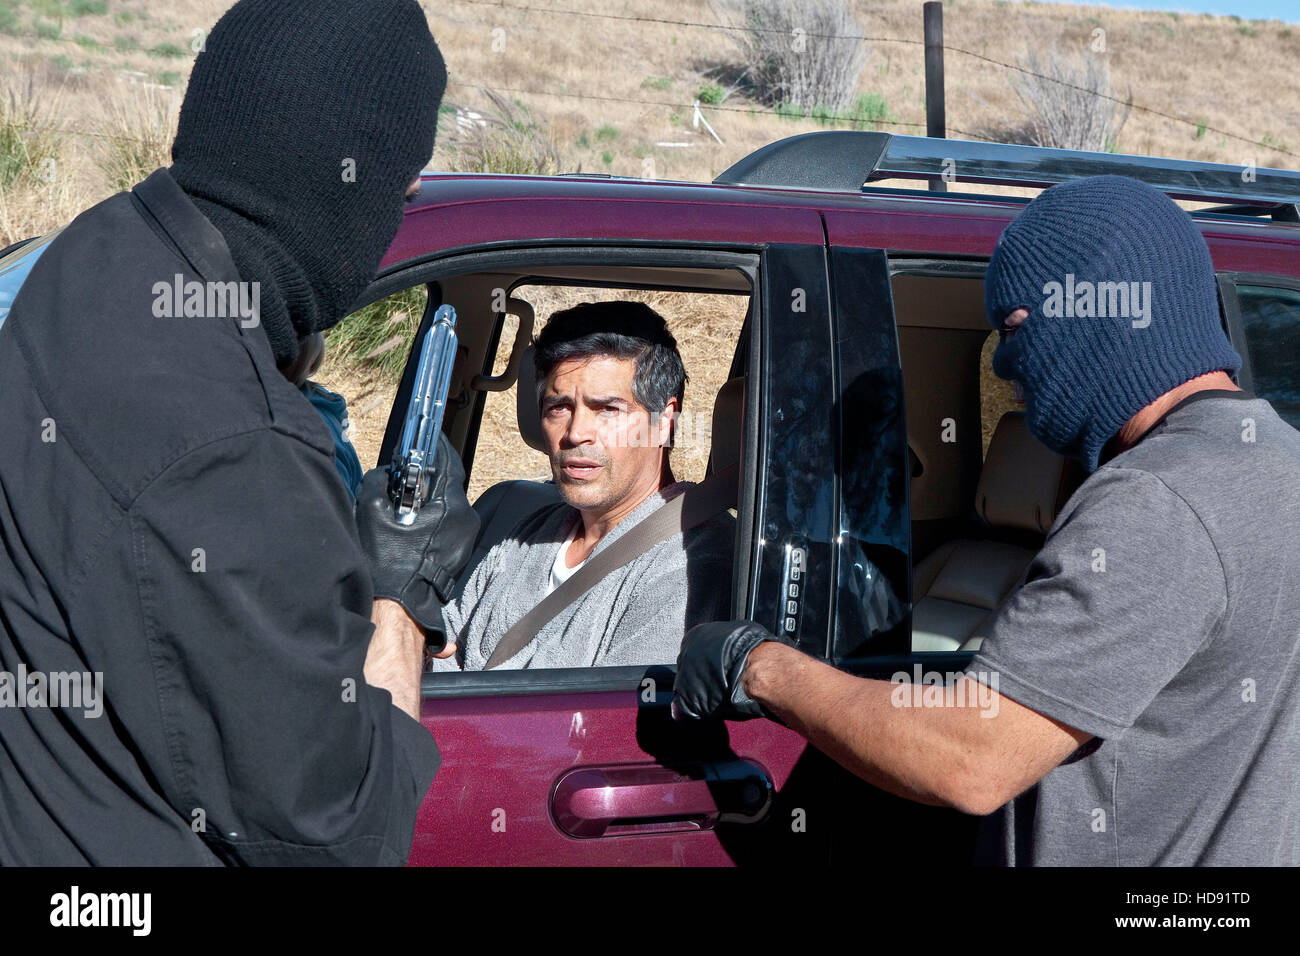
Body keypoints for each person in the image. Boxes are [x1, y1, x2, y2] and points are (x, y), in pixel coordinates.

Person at [673, 175, 1300, 866]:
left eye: (1017, 329)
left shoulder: (1155, 502)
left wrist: (759, 667)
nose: (1004, 363)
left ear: (1104, 311)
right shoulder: (1278, 463)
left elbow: (972, 757)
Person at [0, 0, 478, 865]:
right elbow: (345, 834)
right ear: (346, 169)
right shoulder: (238, 451)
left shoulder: (98, 251)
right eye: (403, 174)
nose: (408, 196)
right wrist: (403, 592)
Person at [429, 301, 736, 671]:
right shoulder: (531, 532)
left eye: (607, 409)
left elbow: (605, 724)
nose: (575, 433)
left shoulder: (693, 560)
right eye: (558, 407)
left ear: (663, 422)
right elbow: (446, 653)